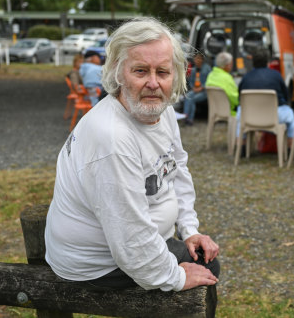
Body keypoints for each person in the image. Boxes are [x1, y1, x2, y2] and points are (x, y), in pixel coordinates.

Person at [45, 17, 220, 292]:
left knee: (204, 260)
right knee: (205, 274)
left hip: (133, 241)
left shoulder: (164, 112)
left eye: (162, 72)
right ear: (117, 72)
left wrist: (190, 229)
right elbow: (129, 240)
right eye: (140, 71)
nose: (153, 83)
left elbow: (177, 168)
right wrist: (176, 277)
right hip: (98, 265)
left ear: (176, 74)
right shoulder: (113, 138)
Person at [237, 48, 294, 149]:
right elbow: (286, 96)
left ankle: (242, 146)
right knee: (291, 118)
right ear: (268, 61)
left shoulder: (246, 77)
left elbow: (240, 97)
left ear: (253, 61)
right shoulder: (276, 75)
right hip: (274, 116)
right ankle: (290, 148)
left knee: (239, 112)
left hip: (250, 117)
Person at [205, 51, 238, 116]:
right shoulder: (227, 78)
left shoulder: (210, 75)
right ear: (227, 65)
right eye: (231, 64)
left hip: (215, 109)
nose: (231, 66)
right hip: (230, 111)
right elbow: (235, 98)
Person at [183, 52, 211, 125]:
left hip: (204, 91)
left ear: (202, 59)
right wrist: (193, 88)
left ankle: (189, 118)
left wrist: (202, 87)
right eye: (195, 58)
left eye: (199, 58)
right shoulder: (194, 69)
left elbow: (210, 81)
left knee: (192, 99)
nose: (197, 60)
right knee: (188, 96)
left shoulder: (207, 68)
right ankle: (186, 116)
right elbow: (191, 81)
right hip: (195, 90)